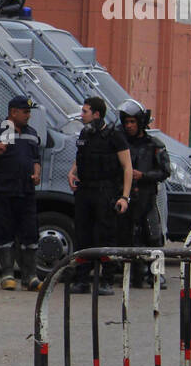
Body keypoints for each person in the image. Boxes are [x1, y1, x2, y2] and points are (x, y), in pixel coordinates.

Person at [68, 96, 133, 294]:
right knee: (82, 235)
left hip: (106, 192)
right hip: (85, 191)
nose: (82, 115)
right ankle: (82, 278)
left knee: (106, 236)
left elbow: (127, 167)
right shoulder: (85, 134)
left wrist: (124, 197)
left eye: (85, 111)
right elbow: (82, 157)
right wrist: (72, 172)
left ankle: (106, 280)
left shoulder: (114, 136)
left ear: (97, 114)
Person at [0, 95, 43, 290]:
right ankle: (7, 274)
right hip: (2, 191)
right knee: (5, 233)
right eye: (25, 112)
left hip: (26, 192)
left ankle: (30, 276)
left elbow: (36, 159)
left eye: (29, 112)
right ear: (13, 112)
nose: (28, 116)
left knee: (30, 233)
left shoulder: (32, 133)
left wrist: (37, 174)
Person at [117, 99, 172, 288]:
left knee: (154, 235)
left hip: (148, 197)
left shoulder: (154, 144)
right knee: (129, 236)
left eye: (132, 122)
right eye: (126, 122)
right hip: (126, 197)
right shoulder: (120, 143)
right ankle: (135, 274)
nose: (129, 126)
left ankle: (157, 274)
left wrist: (144, 176)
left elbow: (165, 171)